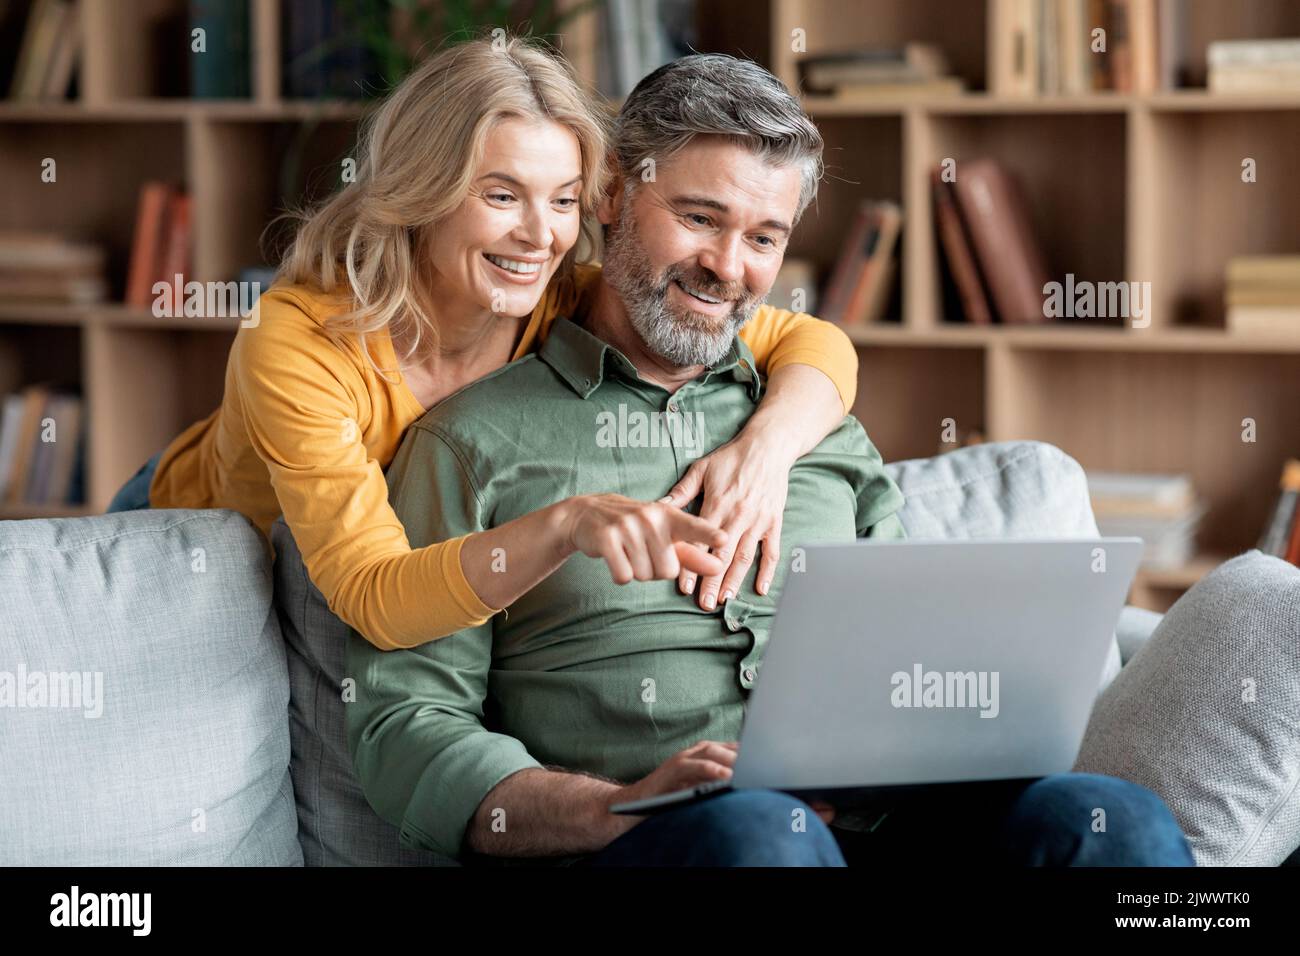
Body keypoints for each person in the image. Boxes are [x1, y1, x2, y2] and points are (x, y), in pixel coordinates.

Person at [346, 53, 1195, 867]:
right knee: (764, 834)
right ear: (611, 194)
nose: (727, 267)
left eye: (763, 237)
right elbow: (407, 727)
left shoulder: (816, 425)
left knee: (1111, 819)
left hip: (885, 829)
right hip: (665, 846)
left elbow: (914, 656)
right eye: (699, 219)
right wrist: (618, 805)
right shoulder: (468, 445)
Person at [106, 36, 861, 651]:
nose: (540, 236)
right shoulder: (301, 339)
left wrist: (764, 452)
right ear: (421, 191)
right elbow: (372, 595)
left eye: (562, 200)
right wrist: (568, 523)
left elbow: (814, 341)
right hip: (187, 540)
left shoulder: (557, 293)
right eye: (501, 195)